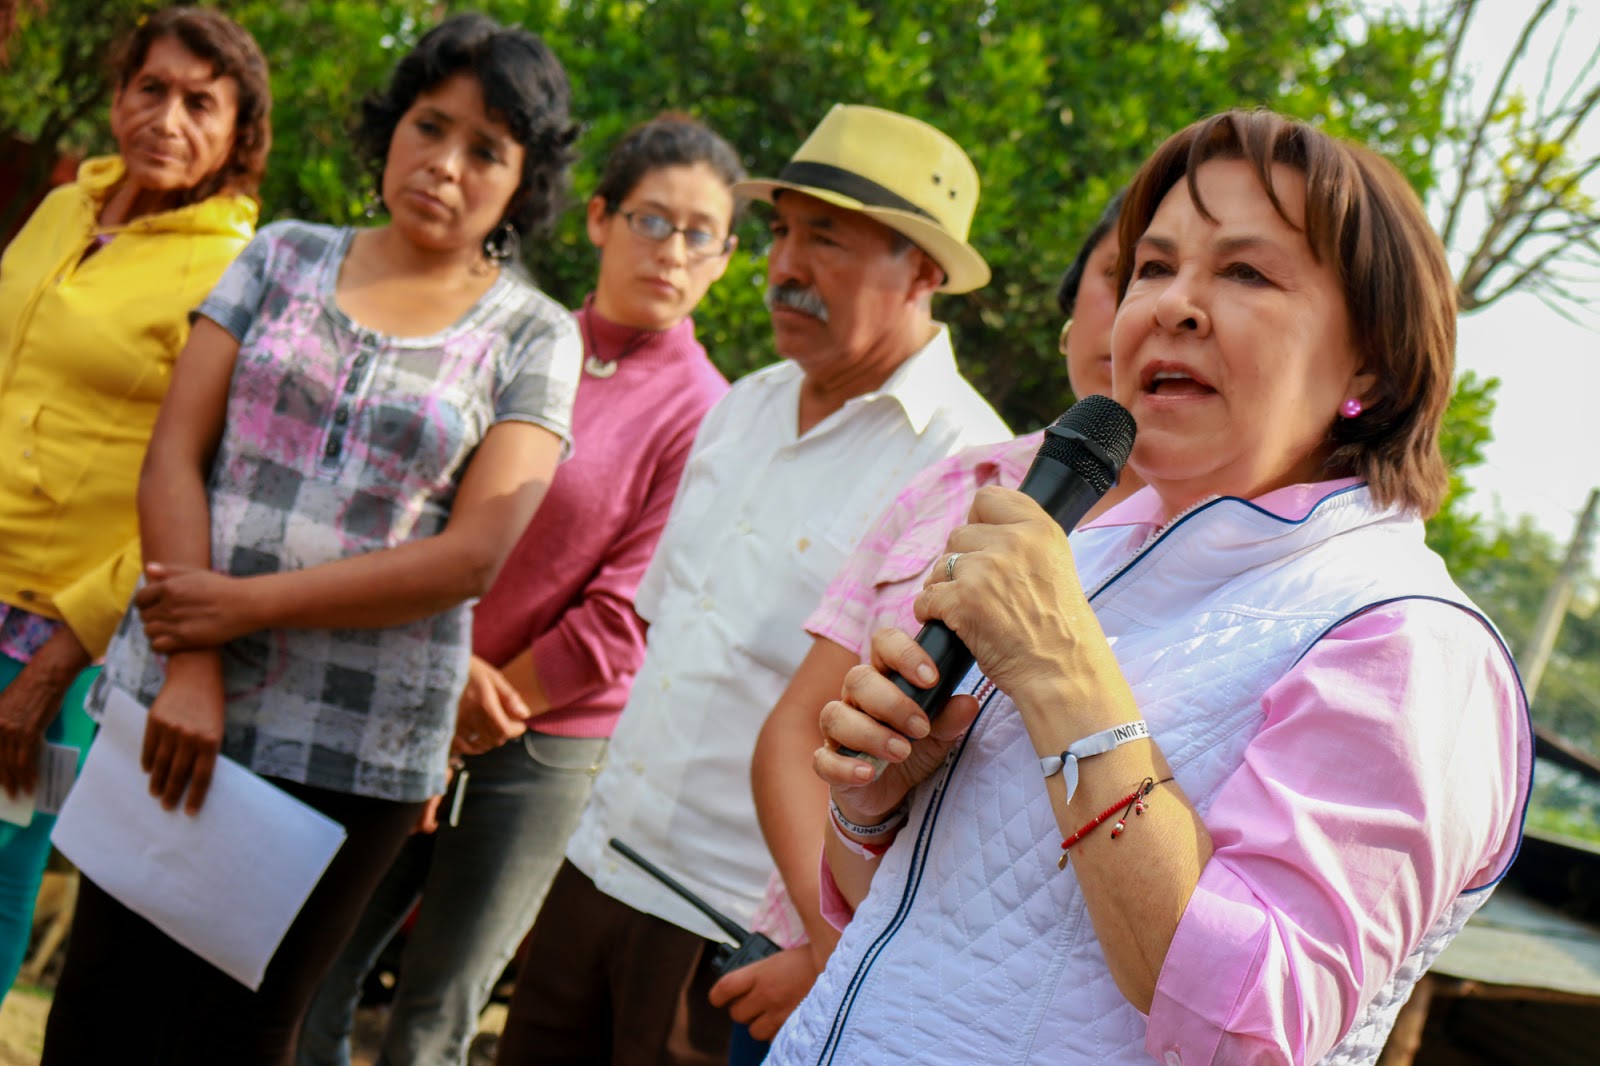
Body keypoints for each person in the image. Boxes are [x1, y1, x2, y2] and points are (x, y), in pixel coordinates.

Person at [773, 109, 1532, 1064]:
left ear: (1372, 369)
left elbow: (1249, 1033)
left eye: (1246, 272)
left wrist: (1062, 673)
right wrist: (877, 806)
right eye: (1154, 267)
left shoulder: (1411, 648)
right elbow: (906, 925)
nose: (1174, 305)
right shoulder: (1087, 552)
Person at [39, 14, 582, 1065]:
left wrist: (237, 609)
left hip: (357, 735)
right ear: (391, 127)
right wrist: (194, 659)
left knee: (244, 1029)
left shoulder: (533, 335)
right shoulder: (281, 254)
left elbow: (471, 557)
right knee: (100, 1005)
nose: (445, 164)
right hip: (175, 693)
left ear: (524, 185)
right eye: (431, 126)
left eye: (487, 150)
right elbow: (174, 455)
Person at [494, 103, 1011, 1066]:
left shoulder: (963, 468)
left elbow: (932, 759)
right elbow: (664, 640)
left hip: (739, 925)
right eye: (780, 232)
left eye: (828, 241)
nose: (786, 266)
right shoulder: (744, 404)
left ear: (923, 274)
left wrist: (829, 949)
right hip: (600, 858)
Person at [298, 112, 745, 1066]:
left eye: (700, 233)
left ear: (725, 258)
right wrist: (441, 675)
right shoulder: (515, 334)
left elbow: (625, 618)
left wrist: (469, 720)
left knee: (432, 1017)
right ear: (598, 218)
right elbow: (418, 504)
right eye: (651, 220)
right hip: (415, 681)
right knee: (314, 971)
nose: (671, 251)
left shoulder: (710, 411)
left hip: (543, 744)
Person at [718, 190, 1142, 1059]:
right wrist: (830, 945)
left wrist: (841, 962)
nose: (1152, 311)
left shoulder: (1221, 559)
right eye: (1130, 274)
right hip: (801, 955)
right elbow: (798, 728)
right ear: (1070, 315)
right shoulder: (957, 480)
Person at [0, 5, 269, 998]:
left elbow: (198, 481)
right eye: (151, 88)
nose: (168, 118)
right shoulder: (65, 206)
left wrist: (57, 657)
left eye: (201, 103)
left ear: (240, 135)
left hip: (54, 625)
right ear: (118, 97)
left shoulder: (236, 269)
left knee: (1, 864)